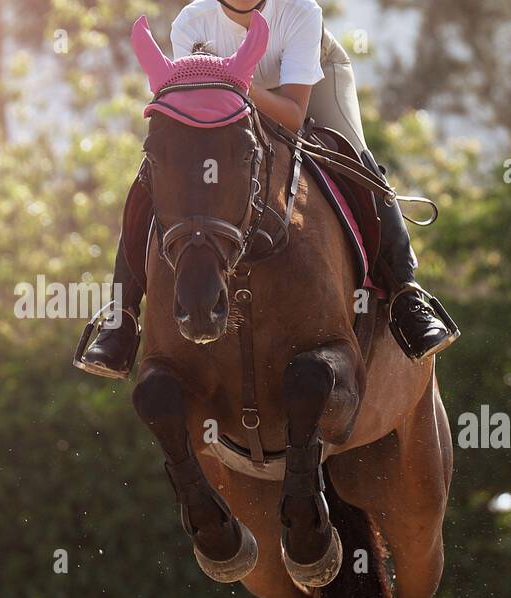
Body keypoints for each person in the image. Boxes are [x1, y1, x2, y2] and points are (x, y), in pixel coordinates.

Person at [75, 0, 458, 378]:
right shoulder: (191, 22)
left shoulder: (300, 12)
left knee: (356, 158)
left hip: (310, 85)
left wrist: (236, 85)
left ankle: (407, 298)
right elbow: (193, 121)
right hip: (232, 107)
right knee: (154, 171)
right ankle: (121, 320)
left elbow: (292, 116)